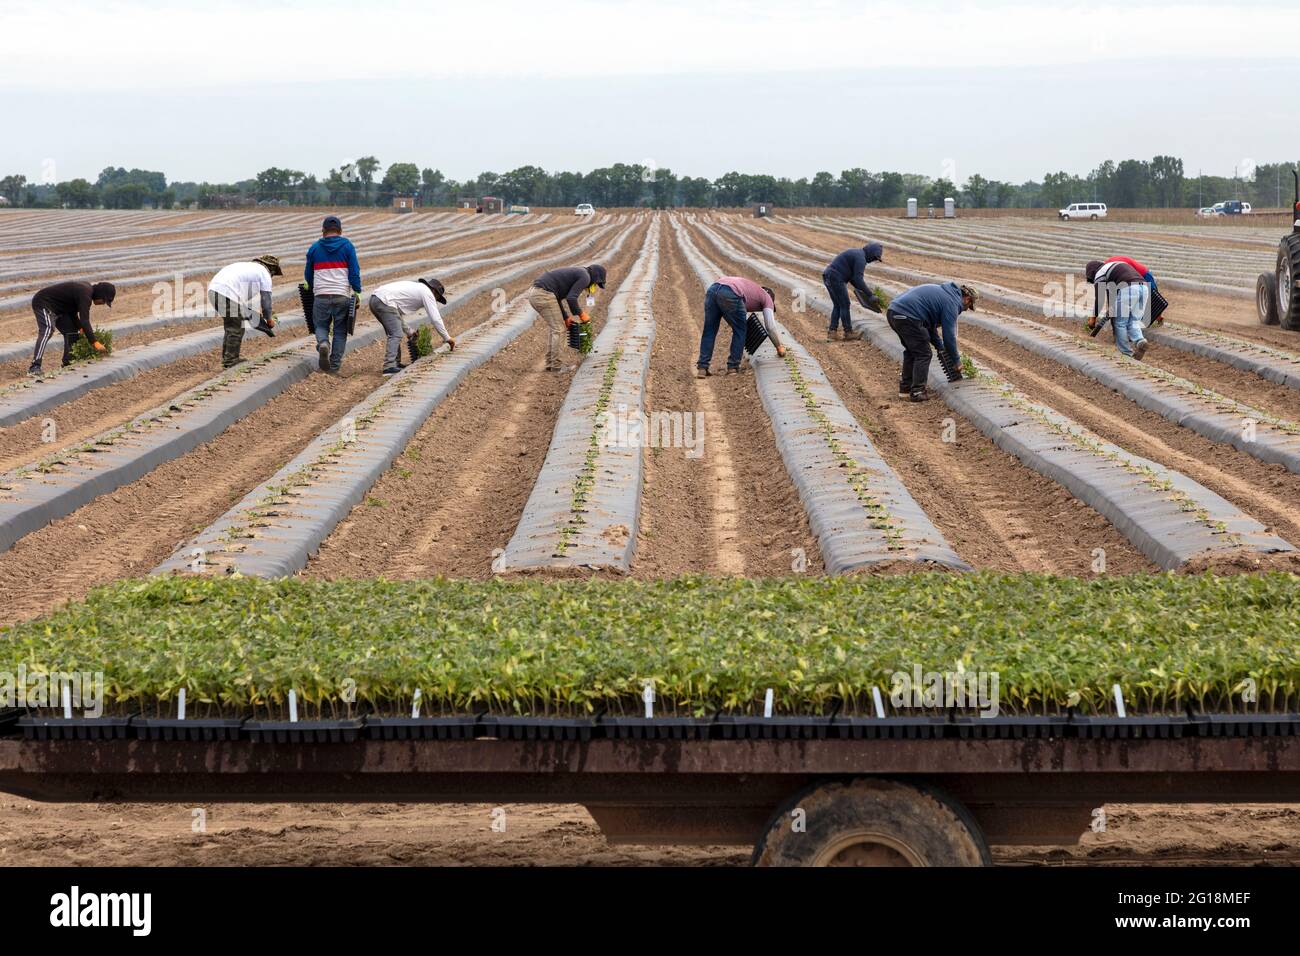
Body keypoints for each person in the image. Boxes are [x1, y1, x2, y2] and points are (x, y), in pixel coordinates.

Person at [885, 282, 977, 402]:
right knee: (923, 354)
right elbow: (949, 336)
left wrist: (940, 347)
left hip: (894, 312)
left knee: (912, 351)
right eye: (968, 306)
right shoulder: (952, 303)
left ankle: (905, 390)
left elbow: (930, 326)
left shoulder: (945, 294)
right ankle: (918, 391)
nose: (965, 310)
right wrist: (956, 360)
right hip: (908, 316)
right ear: (967, 299)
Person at [695, 276, 786, 378]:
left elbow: (727, 310)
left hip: (713, 289)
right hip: (731, 292)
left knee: (709, 330)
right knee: (741, 331)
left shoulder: (752, 290)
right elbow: (770, 326)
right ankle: (732, 367)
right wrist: (779, 346)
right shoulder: (767, 298)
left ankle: (702, 367)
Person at [305, 215, 361, 373]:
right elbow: (354, 272)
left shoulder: (315, 248)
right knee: (340, 331)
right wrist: (357, 291)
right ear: (340, 231)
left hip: (321, 295)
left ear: (323, 231)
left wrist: (311, 286)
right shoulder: (347, 246)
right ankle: (334, 366)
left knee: (321, 325)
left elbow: (308, 274)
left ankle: (323, 343)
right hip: (341, 295)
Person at [207, 255, 282, 369]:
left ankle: (227, 358)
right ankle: (231, 361)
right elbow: (266, 301)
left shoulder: (248, 267)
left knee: (231, 325)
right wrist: (269, 319)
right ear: (271, 269)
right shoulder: (264, 274)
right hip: (226, 293)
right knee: (236, 327)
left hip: (213, 291)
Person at [528, 263, 606, 371]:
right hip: (543, 294)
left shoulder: (580, 272)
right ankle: (557, 366)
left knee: (556, 328)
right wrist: (581, 314)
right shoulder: (586, 277)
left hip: (536, 293)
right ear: (595, 277)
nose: (594, 286)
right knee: (559, 330)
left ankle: (551, 363)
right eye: (596, 284)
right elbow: (571, 298)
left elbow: (557, 297)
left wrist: (565, 317)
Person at [368, 277, 455, 374]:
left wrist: (409, 331)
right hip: (384, 301)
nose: (435, 300)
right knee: (396, 334)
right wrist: (447, 338)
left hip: (375, 299)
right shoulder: (427, 293)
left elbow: (396, 316)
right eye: (437, 297)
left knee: (394, 332)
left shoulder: (417, 288)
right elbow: (435, 318)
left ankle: (395, 363)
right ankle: (389, 366)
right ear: (434, 291)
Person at [28, 280, 115, 376]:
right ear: (101, 295)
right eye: (104, 301)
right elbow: (85, 320)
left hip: (60, 309)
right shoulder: (85, 293)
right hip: (43, 303)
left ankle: (67, 363)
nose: (102, 303)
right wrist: (94, 342)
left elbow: (72, 312)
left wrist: (80, 327)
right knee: (47, 330)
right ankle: (35, 366)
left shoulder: (86, 291)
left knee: (72, 332)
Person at [1085, 259, 1152, 360]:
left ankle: (1126, 353)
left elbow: (1100, 299)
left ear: (1092, 272)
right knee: (1133, 320)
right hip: (1144, 288)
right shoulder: (1114, 267)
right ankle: (1140, 341)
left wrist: (1093, 317)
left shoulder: (1099, 273)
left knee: (1119, 322)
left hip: (1129, 288)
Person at [823, 242, 883, 341]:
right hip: (835, 277)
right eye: (874, 258)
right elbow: (858, 279)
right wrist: (870, 295)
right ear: (871, 253)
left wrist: (865, 294)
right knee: (845, 304)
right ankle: (848, 333)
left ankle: (832, 333)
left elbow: (853, 279)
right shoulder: (861, 258)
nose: (873, 260)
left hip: (828, 275)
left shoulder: (857, 253)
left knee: (838, 305)